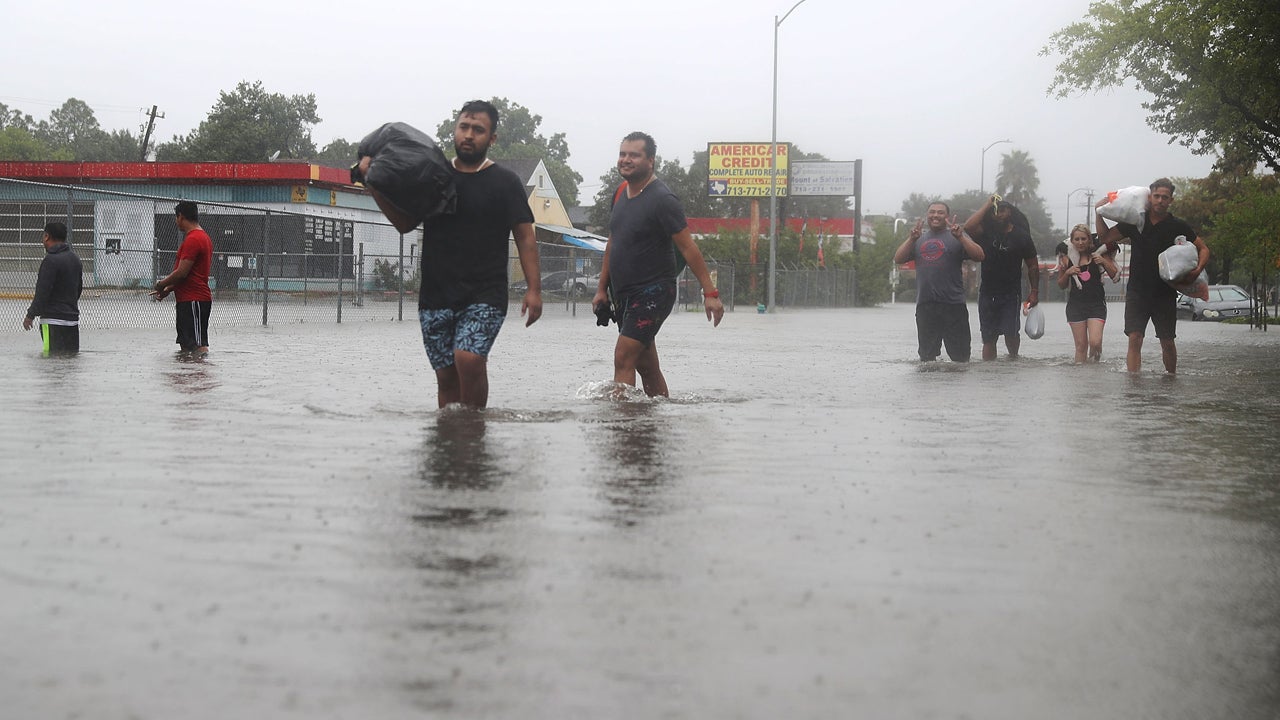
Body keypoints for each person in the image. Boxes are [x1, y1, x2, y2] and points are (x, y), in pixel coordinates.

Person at [360, 99, 541, 408]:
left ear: (492, 138)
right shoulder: (434, 176)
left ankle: (473, 433)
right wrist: (373, 183)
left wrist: (534, 290)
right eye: (464, 127)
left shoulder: (505, 182)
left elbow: (525, 236)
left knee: (468, 360)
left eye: (478, 130)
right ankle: (449, 445)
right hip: (436, 294)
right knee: (445, 377)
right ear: (454, 131)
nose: (469, 135)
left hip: (485, 294)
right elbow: (405, 223)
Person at [591, 131, 723, 397]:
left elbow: (688, 247)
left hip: (654, 291)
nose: (626, 160)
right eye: (622, 154)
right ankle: (657, 420)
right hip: (624, 292)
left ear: (650, 160)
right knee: (646, 365)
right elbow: (612, 243)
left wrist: (710, 293)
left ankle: (623, 426)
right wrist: (602, 289)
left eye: (634, 155)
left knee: (623, 356)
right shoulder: (618, 194)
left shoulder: (663, 199)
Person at [1095, 178, 1209, 373]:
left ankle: (1171, 379)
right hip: (1137, 291)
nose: (1160, 200)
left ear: (1171, 200)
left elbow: (1203, 248)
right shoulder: (1135, 221)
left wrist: (1197, 270)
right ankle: (1133, 386)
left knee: (1167, 342)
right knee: (1135, 338)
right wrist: (1098, 212)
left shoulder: (1177, 226)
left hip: (1165, 292)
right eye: (1156, 196)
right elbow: (1105, 238)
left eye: (1165, 197)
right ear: (1150, 197)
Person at [894, 202, 985, 362]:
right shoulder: (918, 238)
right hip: (926, 306)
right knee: (927, 360)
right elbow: (898, 259)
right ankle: (930, 388)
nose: (935, 215)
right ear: (927, 215)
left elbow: (979, 256)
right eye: (932, 212)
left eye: (940, 213)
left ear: (947, 217)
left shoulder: (957, 235)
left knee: (961, 360)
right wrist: (911, 239)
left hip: (954, 306)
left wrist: (961, 238)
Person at [963, 196, 1040, 360]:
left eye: (1003, 211)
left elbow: (1032, 265)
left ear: (1010, 212)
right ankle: (990, 372)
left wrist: (1034, 291)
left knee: (1011, 334)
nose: (999, 214)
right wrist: (987, 204)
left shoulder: (1022, 236)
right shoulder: (985, 233)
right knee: (988, 338)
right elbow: (968, 227)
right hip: (987, 292)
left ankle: (1013, 360)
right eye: (995, 212)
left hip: (1011, 293)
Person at [151, 201, 213, 355]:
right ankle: (186, 377)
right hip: (187, 301)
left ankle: (200, 377)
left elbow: (182, 272)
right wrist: (168, 289)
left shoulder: (194, 239)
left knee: (198, 347)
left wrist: (161, 284)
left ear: (181, 216)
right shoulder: (200, 237)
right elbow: (188, 275)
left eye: (176, 217)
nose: (176, 221)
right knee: (186, 347)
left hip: (195, 300)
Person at [1057, 224, 1118, 363]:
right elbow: (1061, 285)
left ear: (1090, 240)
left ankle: (1095, 373)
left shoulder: (1099, 254)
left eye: (1083, 239)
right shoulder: (1067, 259)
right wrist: (1067, 272)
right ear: (1071, 241)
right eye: (1077, 239)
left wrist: (1103, 261)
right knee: (1081, 346)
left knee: (1095, 342)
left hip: (1096, 304)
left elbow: (1115, 276)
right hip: (1075, 305)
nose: (1080, 242)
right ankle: (1081, 378)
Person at [22, 221, 83, 355]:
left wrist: (30, 315)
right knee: (69, 363)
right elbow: (78, 290)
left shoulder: (50, 261)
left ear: (47, 236)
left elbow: (42, 292)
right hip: (72, 322)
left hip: (52, 322)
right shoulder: (75, 259)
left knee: (51, 361)